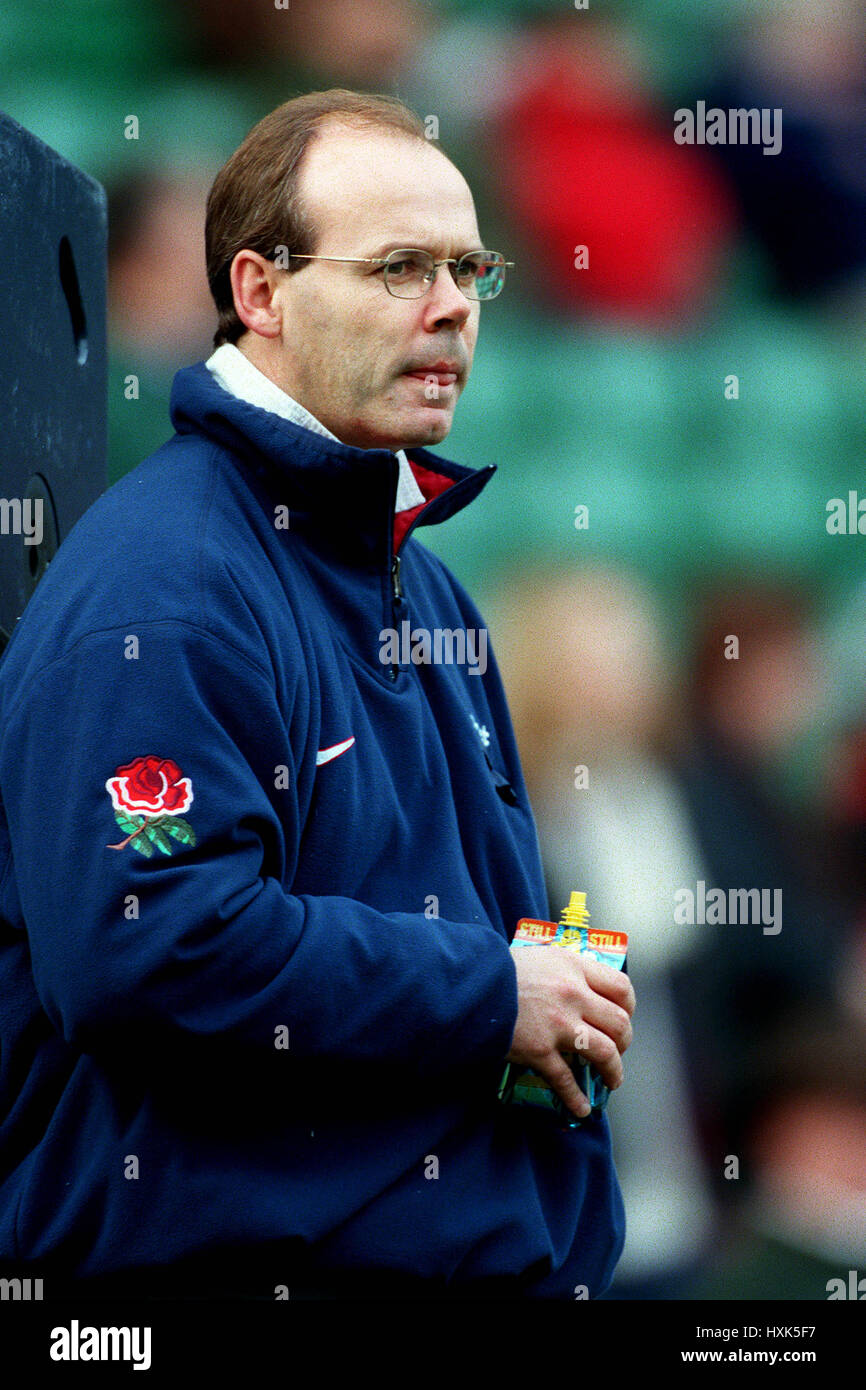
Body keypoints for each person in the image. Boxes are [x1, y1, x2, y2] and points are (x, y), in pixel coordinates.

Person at [0, 89, 634, 1301]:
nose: (452, 306)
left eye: (468, 267)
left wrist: (540, 996)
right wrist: (490, 992)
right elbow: (150, 946)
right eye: (400, 267)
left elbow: (475, 948)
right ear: (260, 291)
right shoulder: (164, 588)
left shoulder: (431, 586)